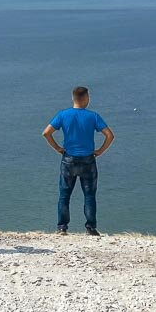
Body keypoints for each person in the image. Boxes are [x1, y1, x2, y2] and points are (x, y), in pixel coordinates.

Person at [42, 86, 115, 236]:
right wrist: (100, 151)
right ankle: (91, 228)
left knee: (64, 195)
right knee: (89, 196)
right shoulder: (93, 116)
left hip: (68, 159)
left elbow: (46, 133)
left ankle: (62, 227)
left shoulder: (63, 115)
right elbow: (109, 135)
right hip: (88, 160)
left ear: (73, 98)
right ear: (86, 98)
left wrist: (58, 148)